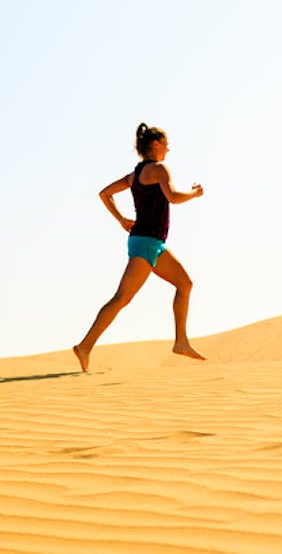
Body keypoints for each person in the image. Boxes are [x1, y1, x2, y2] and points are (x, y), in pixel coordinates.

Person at [73, 123, 206, 371]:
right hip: (146, 242)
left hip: (151, 242)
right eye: (166, 143)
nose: (168, 148)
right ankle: (84, 346)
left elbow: (105, 194)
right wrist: (195, 193)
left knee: (185, 284)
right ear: (155, 145)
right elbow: (174, 197)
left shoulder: (135, 175)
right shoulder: (159, 169)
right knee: (122, 298)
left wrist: (121, 219)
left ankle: (181, 342)